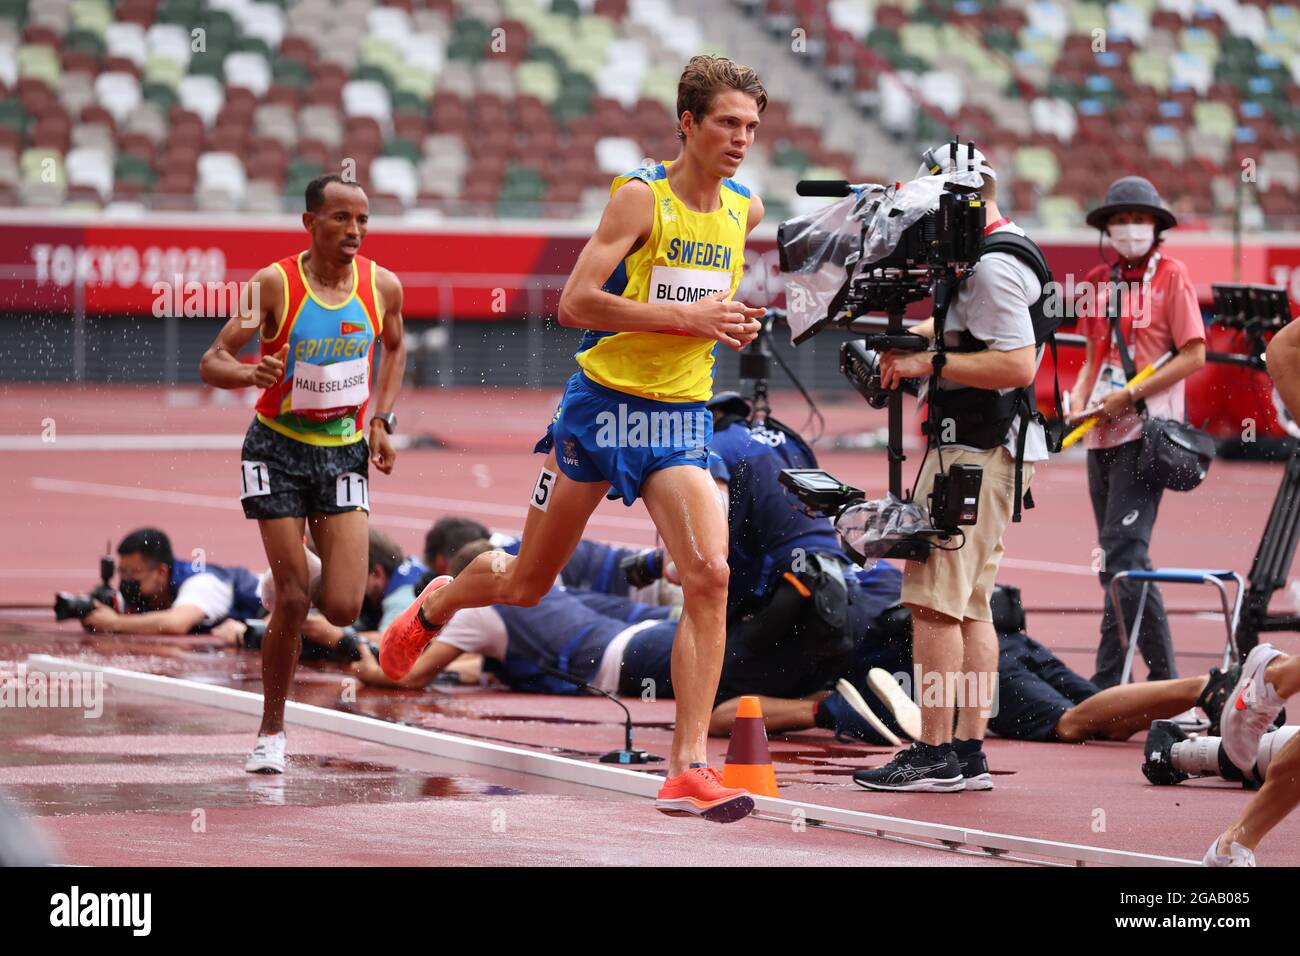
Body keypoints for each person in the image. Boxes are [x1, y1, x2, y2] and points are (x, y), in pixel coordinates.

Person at [379, 55, 769, 823]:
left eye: (752, 127)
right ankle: (439, 603)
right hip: (602, 410)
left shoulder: (745, 210)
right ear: (688, 123)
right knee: (526, 581)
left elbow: (704, 303)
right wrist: (686, 319)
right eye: (726, 122)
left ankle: (687, 766)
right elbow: (575, 303)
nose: (740, 139)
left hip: (679, 418)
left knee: (711, 575)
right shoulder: (639, 198)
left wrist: (726, 320)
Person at [858, 143, 1052, 792]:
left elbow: (1016, 366)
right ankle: (966, 750)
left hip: (974, 449)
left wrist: (925, 364)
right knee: (971, 607)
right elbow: (980, 344)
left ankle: (934, 750)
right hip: (988, 448)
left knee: (935, 603)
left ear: (965, 197)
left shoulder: (993, 266)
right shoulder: (1000, 249)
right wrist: (916, 347)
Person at [199, 174, 407, 774]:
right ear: (310, 223)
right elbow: (212, 360)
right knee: (292, 598)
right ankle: (271, 730)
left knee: (341, 606)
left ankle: (309, 559)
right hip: (276, 451)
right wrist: (250, 374)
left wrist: (382, 421)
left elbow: (395, 347)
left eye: (363, 220)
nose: (354, 231)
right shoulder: (273, 285)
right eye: (341, 218)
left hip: (342, 452)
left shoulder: (382, 286)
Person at [1068, 176, 1207, 688]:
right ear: (1107, 228)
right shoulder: (1098, 281)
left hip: (1147, 435)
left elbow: (1194, 353)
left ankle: (1170, 683)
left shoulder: (1173, 276)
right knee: (1113, 557)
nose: (1129, 229)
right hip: (1100, 435)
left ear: (1155, 227)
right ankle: (1108, 681)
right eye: (1121, 220)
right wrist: (1077, 402)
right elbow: (1091, 360)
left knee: (1125, 551)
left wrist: (1128, 396)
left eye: (1139, 220)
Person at [80, 528, 263, 635]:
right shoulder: (151, 590)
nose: (128, 581)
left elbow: (175, 623)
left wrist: (113, 622)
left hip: (272, 609)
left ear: (161, 571)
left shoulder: (202, 584)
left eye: (134, 573)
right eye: (123, 573)